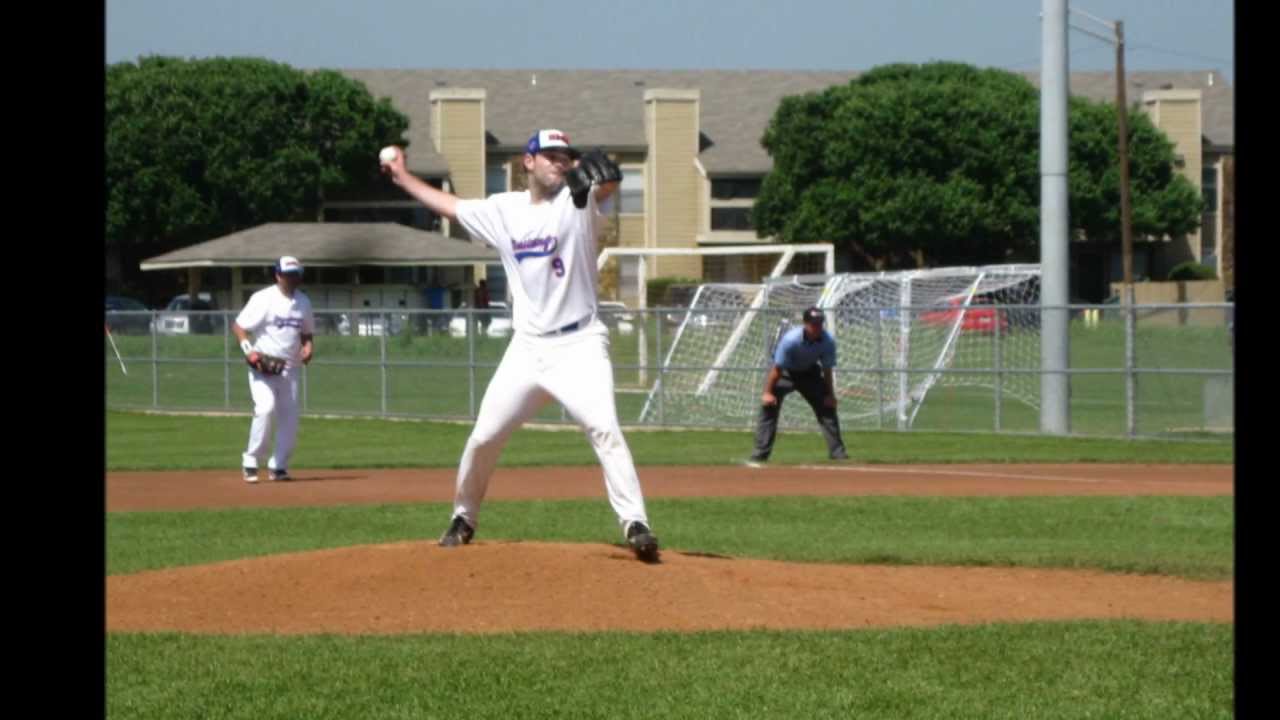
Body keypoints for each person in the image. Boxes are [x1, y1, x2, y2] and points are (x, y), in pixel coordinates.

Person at [379, 130, 659, 561]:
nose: (559, 163)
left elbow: (602, 187)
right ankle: (463, 517)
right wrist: (403, 178)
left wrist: (609, 181)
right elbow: (451, 207)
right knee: (483, 438)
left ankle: (635, 524)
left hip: (580, 343)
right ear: (526, 162)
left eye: (565, 157)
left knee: (605, 430)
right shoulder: (503, 210)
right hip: (527, 349)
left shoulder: (576, 201)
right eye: (549, 156)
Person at [231, 256, 315, 483]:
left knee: (289, 418)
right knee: (266, 408)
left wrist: (308, 347)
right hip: (263, 367)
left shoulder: (303, 302)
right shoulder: (263, 298)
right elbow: (239, 326)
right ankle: (250, 460)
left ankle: (279, 466)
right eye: (288, 274)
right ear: (278, 275)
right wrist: (249, 350)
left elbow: (306, 332)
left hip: (291, 368)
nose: (292, 278)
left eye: (296, 274)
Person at [748, 306, 849, 464]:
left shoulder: (827, 341)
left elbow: (827, 370)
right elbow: (776, 368)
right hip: (784, 373)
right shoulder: (791, 340)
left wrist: (830, 395)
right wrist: (768, 392)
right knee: (768, 408)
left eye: (820, 323)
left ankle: (838, 453)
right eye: (813, 324)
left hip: (809, 373)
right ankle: (760, 454)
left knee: (827, 407)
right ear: (805, 324)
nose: (817, 327)